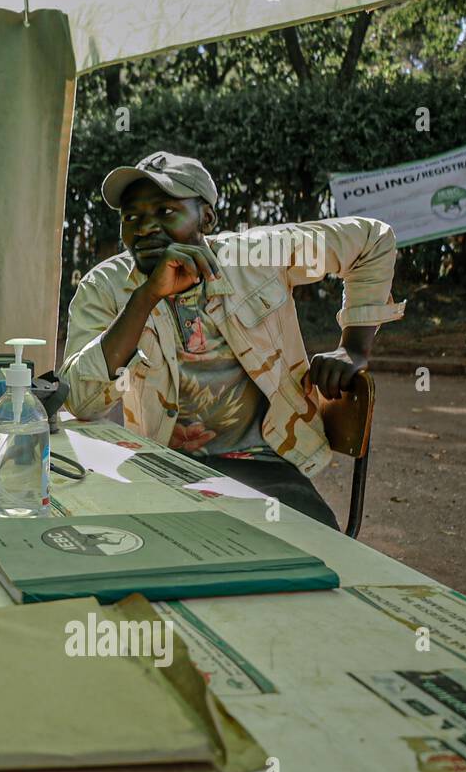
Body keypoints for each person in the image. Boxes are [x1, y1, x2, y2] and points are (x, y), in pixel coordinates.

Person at [59, 151, 405, 527]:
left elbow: (373, 240)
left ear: (206, 217)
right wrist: (146, 297)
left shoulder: (258, 257)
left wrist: (354, 347)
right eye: (132, 217)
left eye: (165, 212)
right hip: (161, 467)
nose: (144, 228)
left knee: (316, 554)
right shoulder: (104, 287)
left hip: (266, 465)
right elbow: (80, 400)